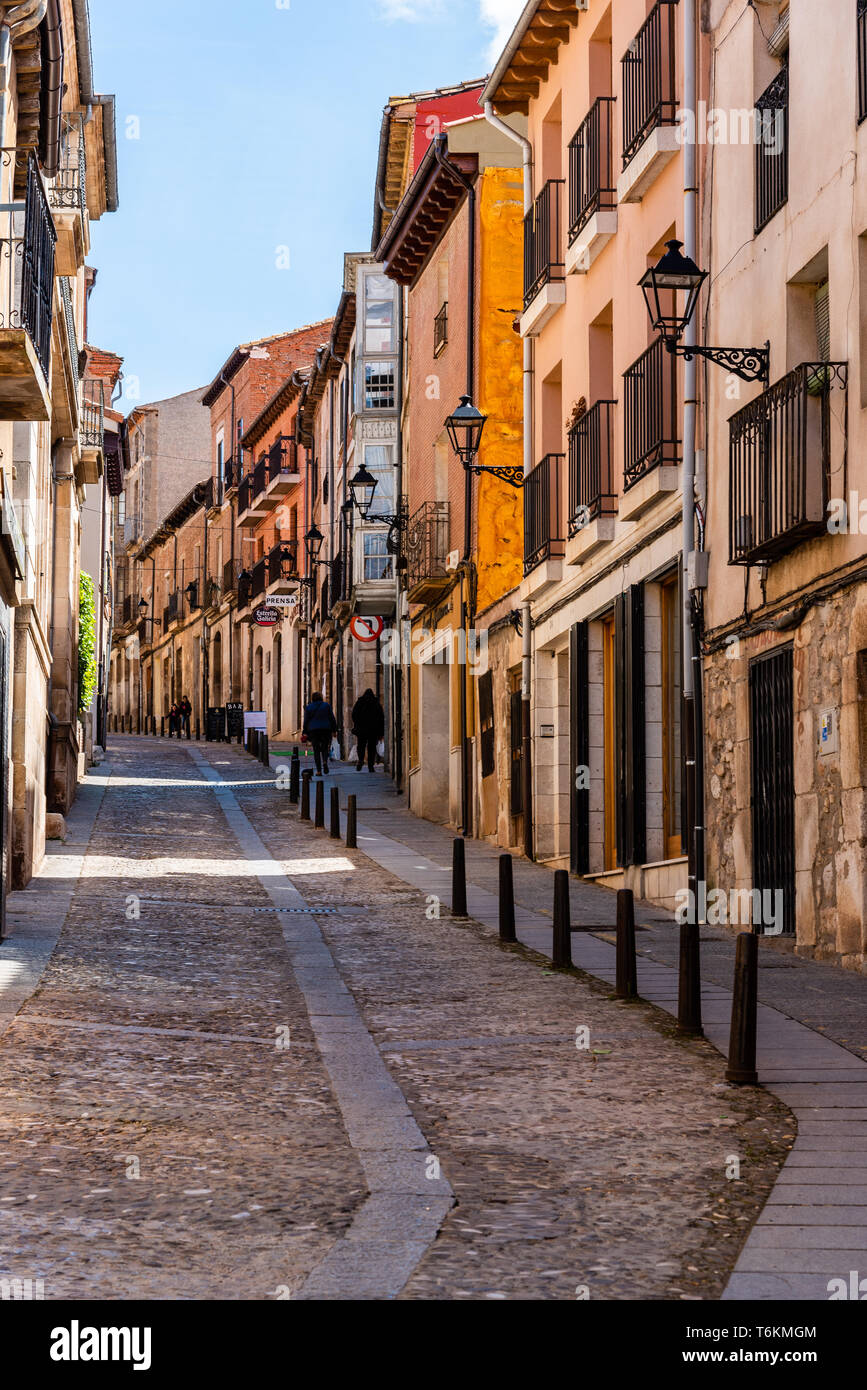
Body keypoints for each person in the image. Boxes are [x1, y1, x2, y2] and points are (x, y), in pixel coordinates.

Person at [303, 690, 338, 776]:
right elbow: (332, 718)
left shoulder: (309, 707)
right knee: (325, 747)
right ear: (321, 697)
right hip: (326, 729)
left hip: (313, 730)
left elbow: (306, 721)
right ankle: (325, 761)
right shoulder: (326, 706)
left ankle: (319, 771)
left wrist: (304, 731)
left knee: (316, 750)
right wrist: (334, 730)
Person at [352, 688, 384, 774]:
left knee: (361, 746)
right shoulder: (376, 704)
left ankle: (361, 759)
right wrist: (381, 733)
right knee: (372, 748)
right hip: (373, 730)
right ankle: (370, 766)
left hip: (361, 729)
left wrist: (357, 724)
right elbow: (381, 718)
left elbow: (354, 714)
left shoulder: (360, 702)